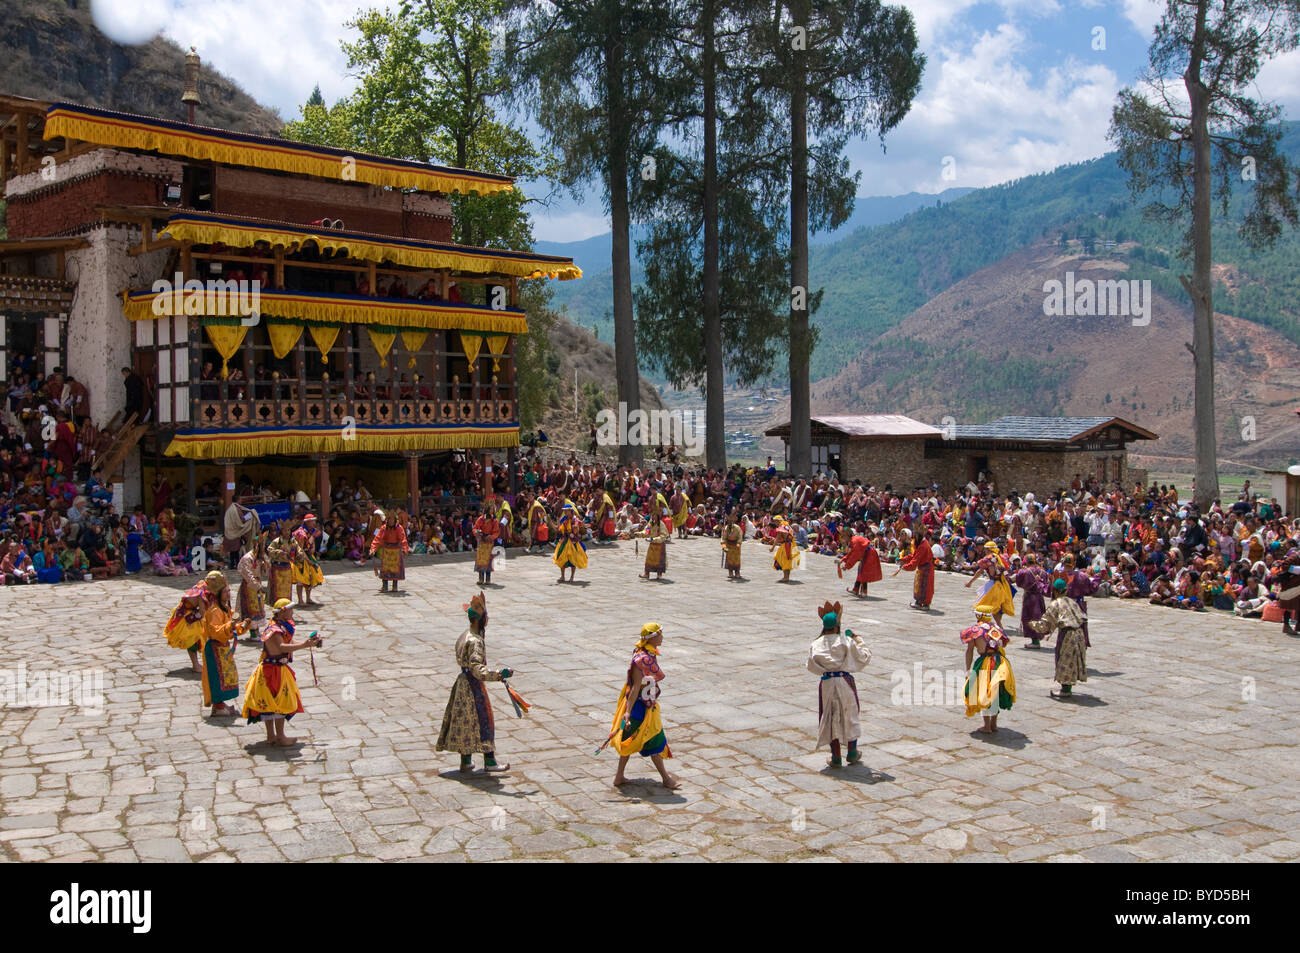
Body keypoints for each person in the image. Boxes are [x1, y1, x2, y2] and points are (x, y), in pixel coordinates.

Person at [435, 592, 513, 773]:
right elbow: (477, 669)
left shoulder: (464, 635)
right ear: (480, 619)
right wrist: (499, 674)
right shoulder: (476, 641)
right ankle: (490, 761)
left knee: (465, 721)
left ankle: (466, 760)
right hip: (472, 685)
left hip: (462, 683)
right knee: (484, 720)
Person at [241, 599, 320, 746]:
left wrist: (309, 642)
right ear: (283, 612)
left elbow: (289, 643)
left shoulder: (280, 627)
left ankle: (272, 736)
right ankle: (280, 736)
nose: (292, 612)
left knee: (271, 703)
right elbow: (282, 647)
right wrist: (304, 645)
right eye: (290, 609)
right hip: (273, 671)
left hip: (273, 669)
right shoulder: (274, 630)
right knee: (279, 702)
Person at [609, 623, 679, 789]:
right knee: (652, 738)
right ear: (652, 637)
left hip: (646, 705)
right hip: (638, 708)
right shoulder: (641, 659)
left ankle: (619, 776)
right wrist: (627, 712)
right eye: (659, 634)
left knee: (632, 740)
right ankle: (666, 779)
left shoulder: (648, 654)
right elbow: (634, 688)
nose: (662, 637)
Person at [806, 600, 871, 768]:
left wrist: (826, 670)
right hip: (844, 681)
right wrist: (858, 639)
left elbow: (811, 666)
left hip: (827, 683)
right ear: (837, 625)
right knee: (849, 713)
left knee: (830, 715)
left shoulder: (816, 644)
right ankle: (852, 752)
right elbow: (863, 657)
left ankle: (835, 756)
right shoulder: (845, 641)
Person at [1030, 578, 1092, 700]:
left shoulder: (1056, 604)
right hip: (1079, 633)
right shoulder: (1072, 601)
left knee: (1065, 660)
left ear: (1055, 591)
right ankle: (1067, 688)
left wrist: (1032, 625)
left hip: (1068, 634)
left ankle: (1065, 689)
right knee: (1072, 660)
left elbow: (1046, 624)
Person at [197, 572, 246, 717]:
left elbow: (231, 627)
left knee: (225, 676)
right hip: (214, 648)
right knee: (217, 677)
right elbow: (215, 631)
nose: (228, 594)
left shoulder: (224, 608)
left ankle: (221, 704)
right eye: (225, 592)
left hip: (223, 648)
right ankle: (218, 706)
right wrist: (230, 626)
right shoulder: (214, 611)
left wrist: (243, 626)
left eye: (229, 591)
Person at [961, 613, 1016, 734]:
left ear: (978, 616)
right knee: (995, 692)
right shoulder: (996, 629)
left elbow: (969, 651)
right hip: (1000, 662)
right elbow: (1003, 643)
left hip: (986, 662)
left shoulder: (975, 630)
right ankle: (993, 723)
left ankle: (987, 726)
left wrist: (968, 669)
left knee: (984, 692)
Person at [163, 570, 226, 674]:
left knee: (197, 639)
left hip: (191, 613)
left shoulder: (202, 584)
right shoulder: (201, 594)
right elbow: (203, 613)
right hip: (186, 616)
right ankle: (195, 665)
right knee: (193, 639)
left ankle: (197, 663)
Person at [966, 541, 1016, 627]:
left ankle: (989, 626)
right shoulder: (1002, 557)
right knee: (998, 608)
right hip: (1005, 585)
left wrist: (970, 581)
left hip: (995, 585)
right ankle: (998, 626)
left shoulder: (989, 558)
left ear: (988, 550)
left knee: (982, 605)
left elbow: (983, 571)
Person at [1014, 552, 1052, 648]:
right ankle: (1038, 638)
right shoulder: (1043, 572)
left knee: (1030, 617)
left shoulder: (1025, 571)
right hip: (1039, 598)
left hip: (1029, 597)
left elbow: (1018, 581)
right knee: (1038, 617)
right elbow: (1046, 583)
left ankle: (1035, 641)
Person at [896, 529, 936, 610]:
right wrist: (903, 559)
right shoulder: (920, 543)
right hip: (921, 568)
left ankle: (925, 604)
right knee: (919, 586)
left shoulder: (924, 546)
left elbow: (915, 560)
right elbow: (914, 554)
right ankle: (918, 602)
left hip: (927, 568)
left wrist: (904, 566)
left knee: (926, 587)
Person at [371, 510, 409, 592]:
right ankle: (385, 586)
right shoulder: (384, 528)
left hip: (396, 550)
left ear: (395, 520)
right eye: (389, 520)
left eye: (392, 520)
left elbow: (403, 539)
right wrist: (373, 549)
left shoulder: (399, 527)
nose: (391, 521)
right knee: (385, 569)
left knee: (395, 569)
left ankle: (395, 586)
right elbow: (378, 538)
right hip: (387, 550)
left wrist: (405, 548)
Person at [838, 526, 882, 598]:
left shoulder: (855, 541)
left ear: (848, 535)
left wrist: (847, 566)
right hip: (866, 554)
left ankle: (864, 592)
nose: (843, 538)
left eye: (844, 536)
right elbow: (851, 553)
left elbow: (854, 556)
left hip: (869, 554)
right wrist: (844, 559)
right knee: (860, 571)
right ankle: (856, 589)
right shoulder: (853, 541)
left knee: (863, 572)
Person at [237, 539, 268, 637]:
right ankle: (253, 632)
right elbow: (247, 573)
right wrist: (256, 585)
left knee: (258, 608)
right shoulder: (248, 558)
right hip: (249, 586)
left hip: (257, 584)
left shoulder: (259, 557)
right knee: (250, 608)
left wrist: (264, 563)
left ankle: (257, 630)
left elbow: (267, 567)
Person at [291, 514, 324, 605]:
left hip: (309, 554)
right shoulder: (301, 533)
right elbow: (300, 549)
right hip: (301, 557)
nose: (314, 523)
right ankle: (300, 599)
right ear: (307, 522)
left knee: (310, 577)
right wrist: (308, 560)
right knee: (301, 579)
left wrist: (312, 549)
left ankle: (308, 598)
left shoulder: (312, 531)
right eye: (312, 521)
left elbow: (311, 544)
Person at [552, 502, 587, 584]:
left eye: (567, 511)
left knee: (572, 559)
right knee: (561, 557)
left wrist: (575, 527)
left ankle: (572, 576)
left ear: (570, 511)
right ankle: (562, 576)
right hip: (564, 541)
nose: (565, 512)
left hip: (572, 542)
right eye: (564, 511)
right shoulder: (563, 519)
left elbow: (577, 530)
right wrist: (551, 522)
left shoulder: (575, 520)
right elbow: (559, 529)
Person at [266, 528, 294, 606]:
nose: (287, 532)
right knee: (277, 588)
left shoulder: (292, 541)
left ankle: (286, 606)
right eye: (285, 530)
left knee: (287, 589)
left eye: (288, 530)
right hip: (277, 567)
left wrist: (299, 554)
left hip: (287, 568)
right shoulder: (277, 541)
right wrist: (278, 552)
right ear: (281, 531)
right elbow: (269, 550)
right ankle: (277, 606)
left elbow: (298, 550)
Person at [769, 517, 799, 582]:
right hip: (791, 545)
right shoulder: (787, 526)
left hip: (786, 546)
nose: (774, 523)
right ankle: (787, 577)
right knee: (788, 561)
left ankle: (785, 577)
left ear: (778, 521)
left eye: (775, 521)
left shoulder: (781, 527)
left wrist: (772, 547)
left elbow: (778, 538)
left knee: (784, 560)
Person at [473, 505, 497, 587]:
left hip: (489, 541)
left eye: (492, 509)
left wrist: (491, 537)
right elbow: (475, 528)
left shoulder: (494, 520)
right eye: (490, 509)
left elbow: (496, 531)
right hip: (482, 540)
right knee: (481, 560)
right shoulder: (480, 519)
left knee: (489, 560)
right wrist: (478, 532)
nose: (491, 511)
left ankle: (488, 579)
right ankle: (480, 578)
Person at [641, 513, 670, 580]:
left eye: (654, 515)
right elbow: (646, 532)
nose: (653, 517)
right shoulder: (650, 523)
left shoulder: (661, 524)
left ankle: (659, 575)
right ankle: (646, 573)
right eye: (652, 515)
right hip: (652, 544)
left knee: (660, 560)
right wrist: (639, 534)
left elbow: (663, 536)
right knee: (649, 559)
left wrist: (653, 539)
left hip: (660, 545)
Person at [721, 510, 743, 579]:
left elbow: (740, 536)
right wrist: (724, 546)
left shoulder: (737, 528)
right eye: (728, 521)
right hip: (729, 546)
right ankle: (730, 572)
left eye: (731, 521)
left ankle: (737, 572)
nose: (730, 522)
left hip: (736, 546)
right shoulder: (725, 528)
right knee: (729, 559)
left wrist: (738, 544)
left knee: (736, 559)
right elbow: (723, 538)